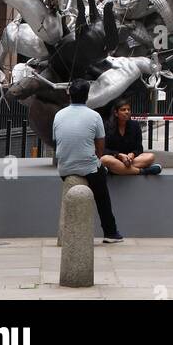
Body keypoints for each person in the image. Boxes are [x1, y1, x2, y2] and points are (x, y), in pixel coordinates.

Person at [52, 78, 123, 243]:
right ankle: (110, 232)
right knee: (102, 196)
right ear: (87, 95)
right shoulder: (94, 116)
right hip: (88, 168)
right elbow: (100, 147)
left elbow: (57, 143)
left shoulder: (59, 115)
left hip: (64, 168)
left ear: (69, 94)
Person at [101, 99, 161, 176]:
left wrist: (132, 154)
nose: (127, 112)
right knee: (105, 159)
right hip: (114, 158)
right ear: (116, 113)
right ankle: (143, 171)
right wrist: (118, 155)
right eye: (123, 110)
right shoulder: (106, 126)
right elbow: (102, 150)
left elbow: (139, 149)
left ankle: (116, 169)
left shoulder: (135, 125)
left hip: (130, 160)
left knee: (150, 157)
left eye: (128, 110)